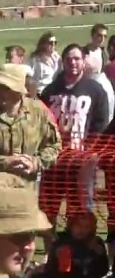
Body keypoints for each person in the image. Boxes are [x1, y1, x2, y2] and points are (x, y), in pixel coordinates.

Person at [40, 44, 110, 238]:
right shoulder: (50, 90)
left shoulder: (95, 90)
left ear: (84, 61)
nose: (73, 62)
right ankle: (50, 253)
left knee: (79, 209)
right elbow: (42, 122)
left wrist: (92, 153)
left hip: (82, 161)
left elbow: (100, 124)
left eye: (77, 58)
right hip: (54, 160)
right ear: (63, 62)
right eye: (69, 59)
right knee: (48, 208)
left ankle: (78, 249)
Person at [0, 64, 61, 180]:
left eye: (7, 88)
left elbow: (53, 145)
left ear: (20, 91)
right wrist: (1, 162)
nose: (0, 92)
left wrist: (35, 163)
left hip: (27, 190)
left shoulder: (39, 112)